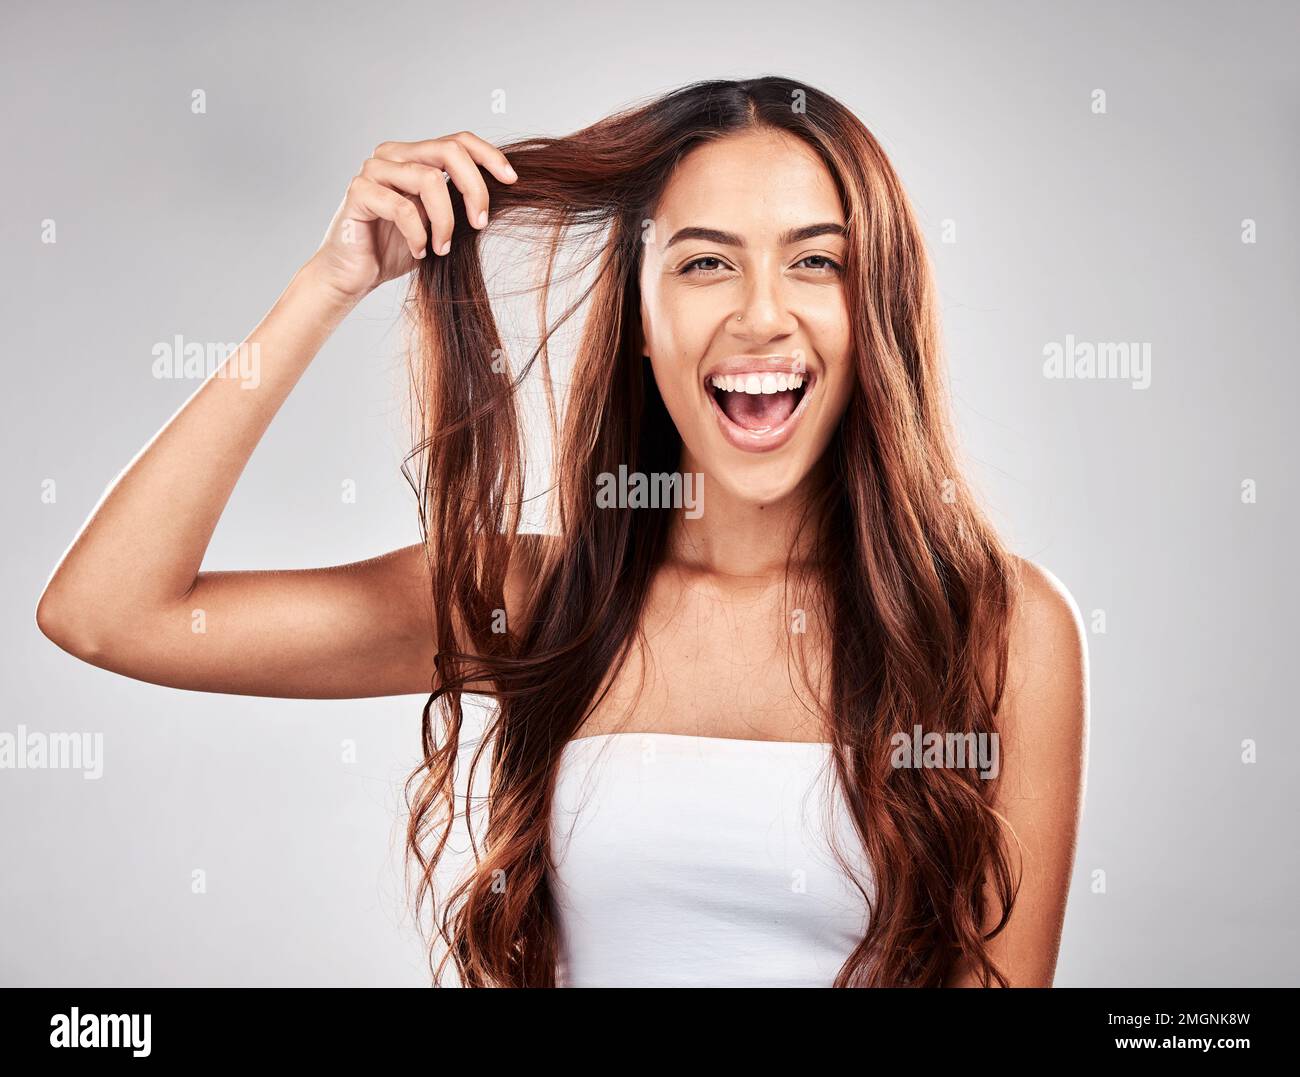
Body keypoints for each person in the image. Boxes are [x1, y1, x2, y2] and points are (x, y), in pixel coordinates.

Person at [36, 75, 1088, 988]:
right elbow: (109, 613)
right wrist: (330, 284)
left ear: (879, 309)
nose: (761, 314)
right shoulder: (540, 601)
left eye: (816, 261)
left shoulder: (1000, 626)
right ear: (639, 318)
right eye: (704, 263)